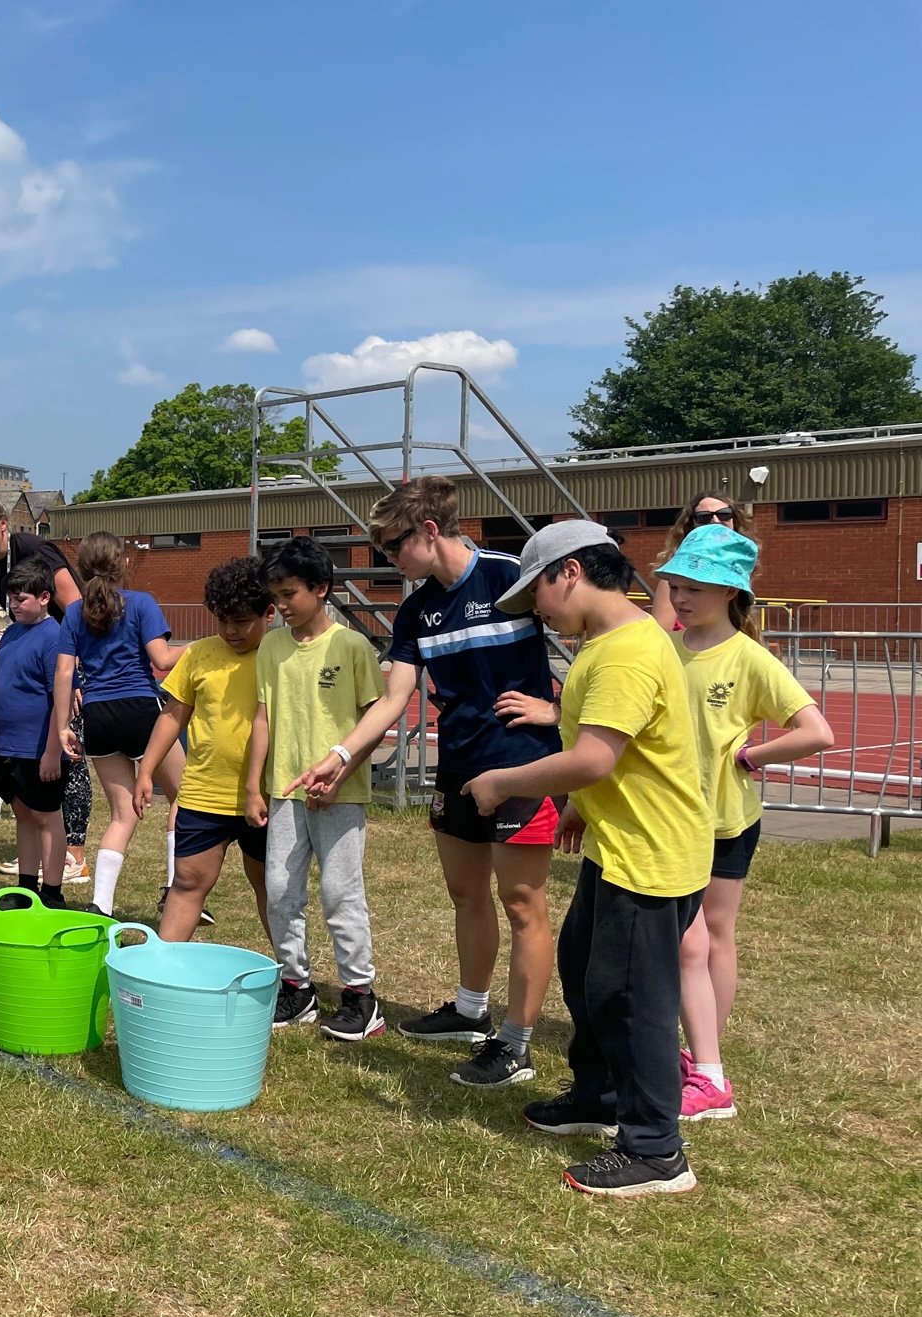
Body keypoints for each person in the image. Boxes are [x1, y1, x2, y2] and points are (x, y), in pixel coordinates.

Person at [291, 476, 564, 1090]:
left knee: (523, 904)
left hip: (522, 765)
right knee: (465, 894)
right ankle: (470, 1011)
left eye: (393, 545)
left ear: (430, 530)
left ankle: (516, 1044)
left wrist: (559, 710)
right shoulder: (416, 611)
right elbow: (393, 699)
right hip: (459, 768)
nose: (389, 559)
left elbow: (605, 633)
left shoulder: (511, 576)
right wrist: (342, 754)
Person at [467, 520, 711, 1197]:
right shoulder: (609, 642)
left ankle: (656, 1150)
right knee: (584, 970)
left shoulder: (625, 651)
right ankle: (599, 1096)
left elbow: (596, 757)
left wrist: (503, 782)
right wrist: (581, 805)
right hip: (619, 845)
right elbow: (622, 751)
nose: (537, 611)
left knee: (632, 1000)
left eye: (537, 593)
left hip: (651, 856)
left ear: (569, 572)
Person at [654, 525, 831, 1121]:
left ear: (731, 592)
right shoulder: (663, 648)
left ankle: (707, 1064)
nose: (681, 597)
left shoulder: (750, 658)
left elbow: (817, 731)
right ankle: (703, 1061)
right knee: (686, 941)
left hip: (725, 821)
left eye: (696, 587)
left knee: (709, 936)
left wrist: (752, 756)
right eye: (676, 585)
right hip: (670, 819)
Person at [245, 537, 385, 1042]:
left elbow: (374, 722)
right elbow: (263, 717)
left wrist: (340, 774)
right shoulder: (271, 647)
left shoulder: (351, 646)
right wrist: (254, 785)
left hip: (339, 795)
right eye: (275, 596)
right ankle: (296, 986)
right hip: (285, 790)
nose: (281, 606)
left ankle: (360, 996)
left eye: (289, 594)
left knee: (339, 892)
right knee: (281, 891)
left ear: (321, 588)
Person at [135, 558, 272, 944]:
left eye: (241, 621)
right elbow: (171, 716)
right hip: (203, 794)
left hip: (267, 797)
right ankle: (162, 969)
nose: (230, 631)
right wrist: (146, 770)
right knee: (188, 883)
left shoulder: (281, 655)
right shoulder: (198, 654)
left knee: (272, 888)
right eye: (222, 620)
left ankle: (294, 974)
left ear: (269, 612)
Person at [54, 532, 185, 917]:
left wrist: (63, 726)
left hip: (98, 717)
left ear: (81, 570)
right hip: (140, 710)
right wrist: (207, 646)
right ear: (124, 563)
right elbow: (162, 659)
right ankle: (175, 890)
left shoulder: (75, 612)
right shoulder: (140, 603)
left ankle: (101, 904)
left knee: (122, 814)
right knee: (184, 797)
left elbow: (64, 673)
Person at [0, 495, 90, 886]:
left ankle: (74, 854)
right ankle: (34, 862)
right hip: (38, 662)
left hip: (67, 658)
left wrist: (73, 670)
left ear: (3, 524)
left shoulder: (35, 549)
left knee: (68, 758)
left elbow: (77, 606)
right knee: (28, 788)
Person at [0, 559, 71, 908]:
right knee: (23, 815)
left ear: (44, 597)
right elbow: (2, 690)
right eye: (11, 599)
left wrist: (52, 752)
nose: (14, 606)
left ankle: (52, 892)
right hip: (7, 747)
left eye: (21, 599)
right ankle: (26, 889)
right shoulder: (10, 634)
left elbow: (60, 701)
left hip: (37, 748)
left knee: (46, 817)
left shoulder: (54, 637)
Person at [647, 493, 753, 631]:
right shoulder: (677, 574)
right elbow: (661, 635)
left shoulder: (740, 568)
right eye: (704, 517)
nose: (715, 521)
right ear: (692, 526)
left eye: (724, 514)